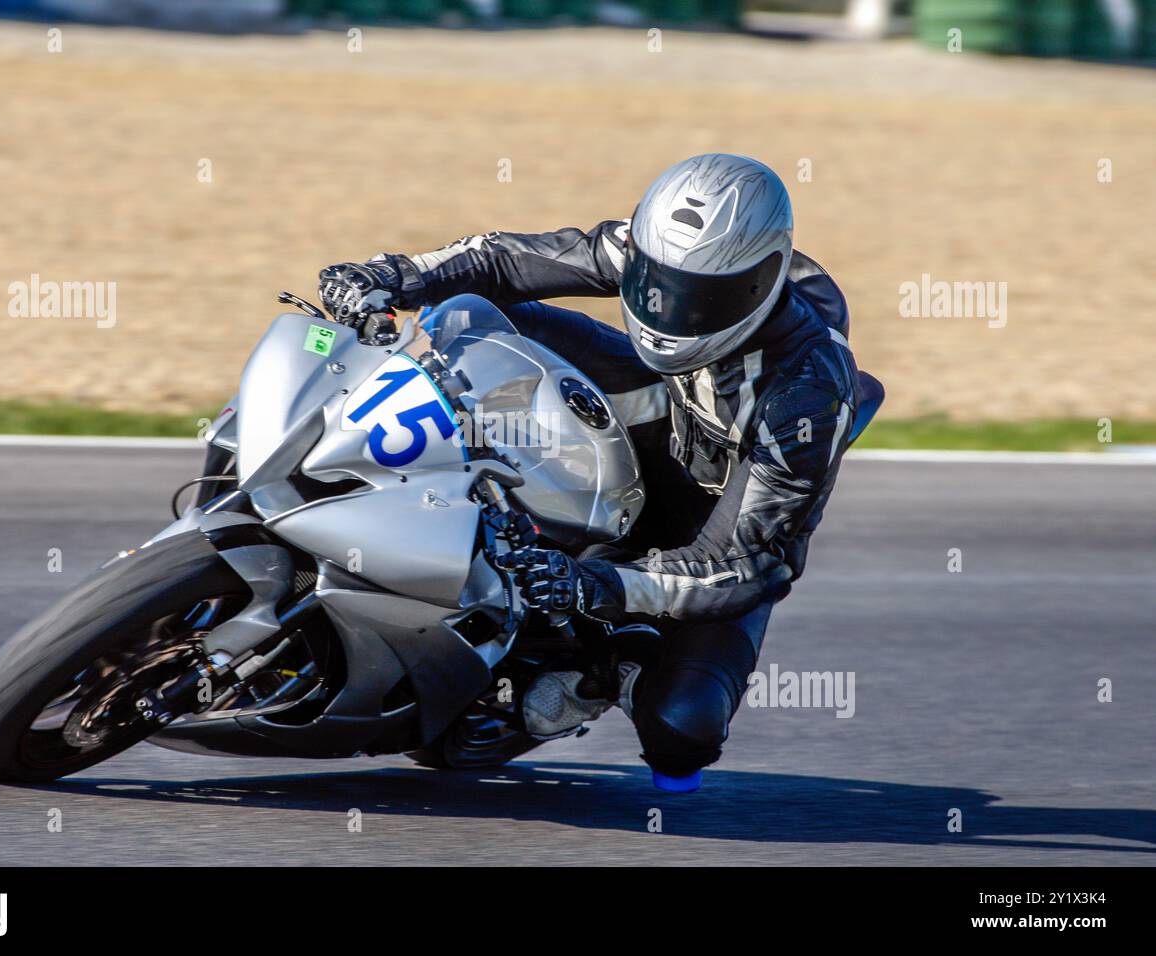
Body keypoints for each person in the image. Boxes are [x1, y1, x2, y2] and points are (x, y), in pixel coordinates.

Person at [318, 154, 871, 791]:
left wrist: (592, 585)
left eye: (702, 301)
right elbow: (506, 258)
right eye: (657, 283)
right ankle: (395, 450)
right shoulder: (661, 247)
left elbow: (740, 567)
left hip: (716, 528)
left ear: (762, 283)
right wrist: (391, 276)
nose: (671, 313)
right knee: (478, 317)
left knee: (681, 733)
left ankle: (611, 669)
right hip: (662, 416)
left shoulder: (806, 394)